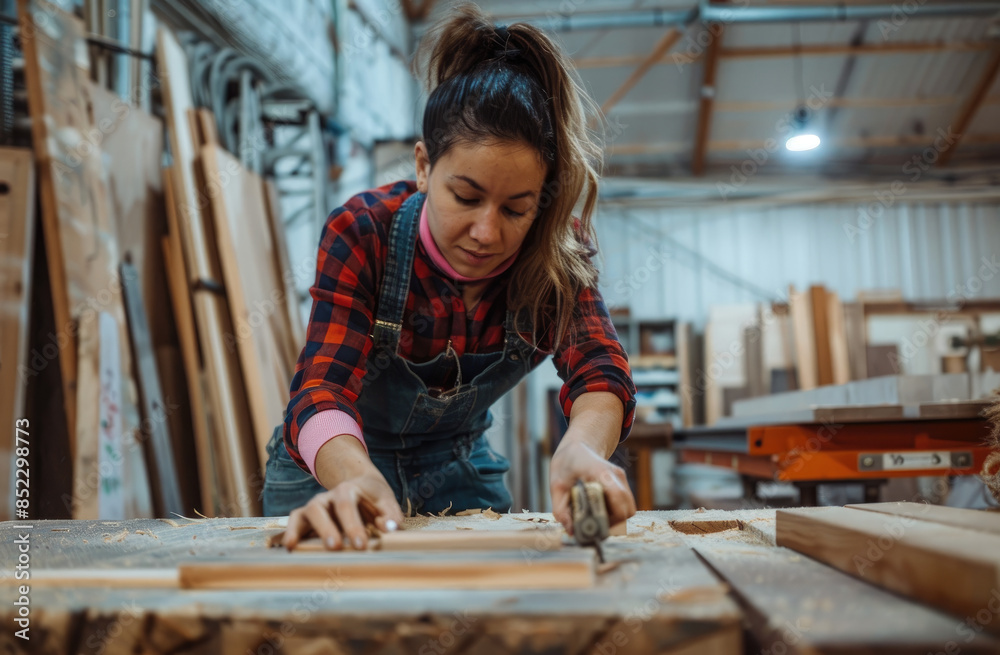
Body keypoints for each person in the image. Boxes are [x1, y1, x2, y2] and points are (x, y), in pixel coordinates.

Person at [262, 3, 638, 550]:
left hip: (457, 471)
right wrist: (358, 477)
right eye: (465, 197)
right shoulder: (363, 233)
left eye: (516, 209)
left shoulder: (559, 253)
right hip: (335, 468)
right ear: (422, 166)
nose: (486, 232)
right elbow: (320, 390)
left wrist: (580, 448)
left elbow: (600, 370)